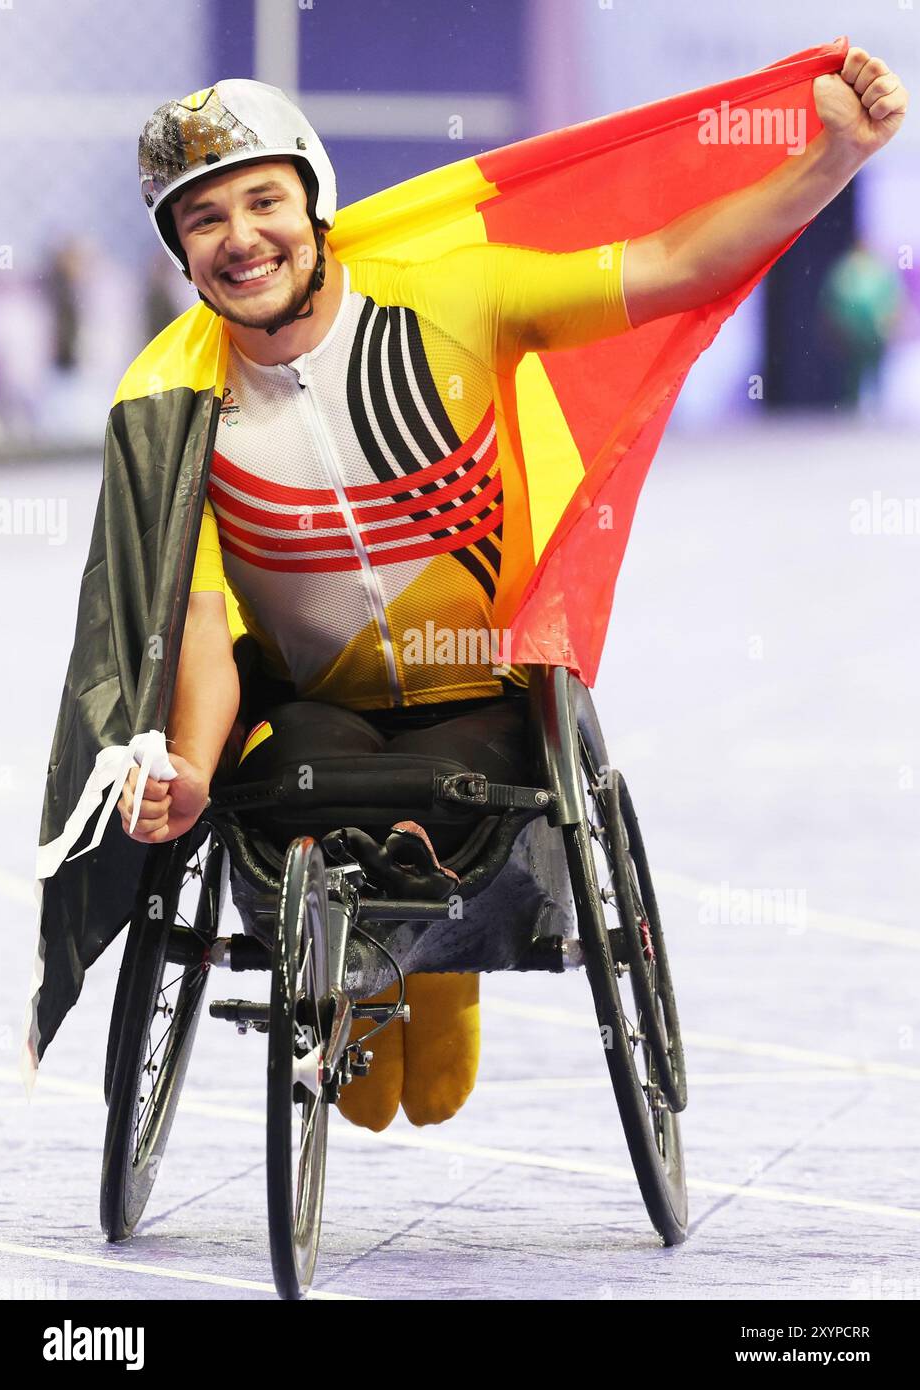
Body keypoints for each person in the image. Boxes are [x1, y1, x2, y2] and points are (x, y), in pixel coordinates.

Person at [117, 52, 906, 1130]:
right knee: (298, 793)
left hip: (481, 699)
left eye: (263, 199)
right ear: (180, 252)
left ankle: (416, 950)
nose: (241, 236)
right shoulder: (169, 400)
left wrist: (833, 161)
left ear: (316, 202)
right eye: (203, 217)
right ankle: (358, 958)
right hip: (315, 712)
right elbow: (200, 611)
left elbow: (671, 261)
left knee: (432, 1078)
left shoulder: (457, 289)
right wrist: (196, 772)